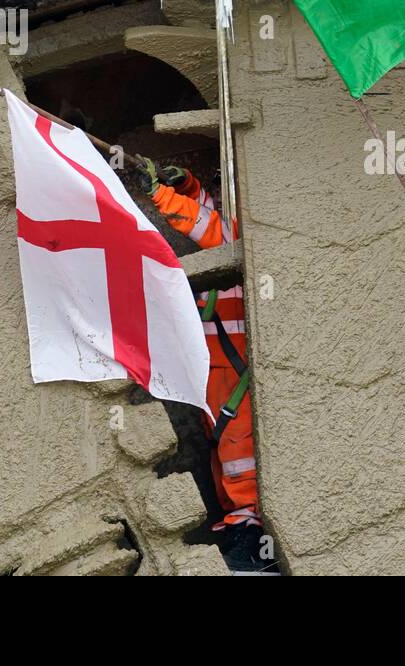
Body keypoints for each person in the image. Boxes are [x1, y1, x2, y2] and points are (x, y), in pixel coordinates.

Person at [138, 157, 266, 571]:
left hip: (239, 367)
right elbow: (211, 213)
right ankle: (235, 523)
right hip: (214, 369)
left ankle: (251, 534)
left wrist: (162, 194)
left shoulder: (252, 235)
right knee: (221, 448)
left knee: (239, 450)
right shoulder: (234, 224)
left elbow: (209, 227)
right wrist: (189, 185)